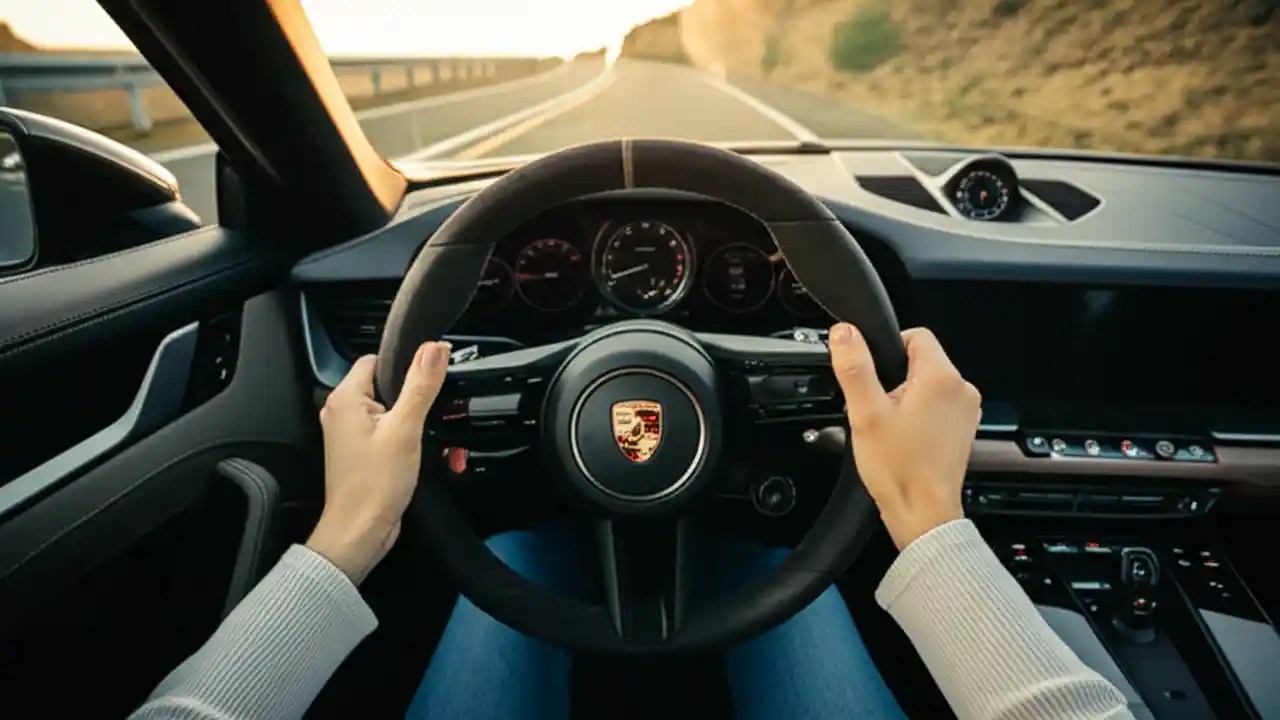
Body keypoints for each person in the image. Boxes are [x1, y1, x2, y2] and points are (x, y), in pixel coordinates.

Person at [129, 324, 1134, 720]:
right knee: (775, 576)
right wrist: (921, 512)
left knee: (516, 556)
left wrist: (350, 526)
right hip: (781, 542)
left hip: (507, 539)